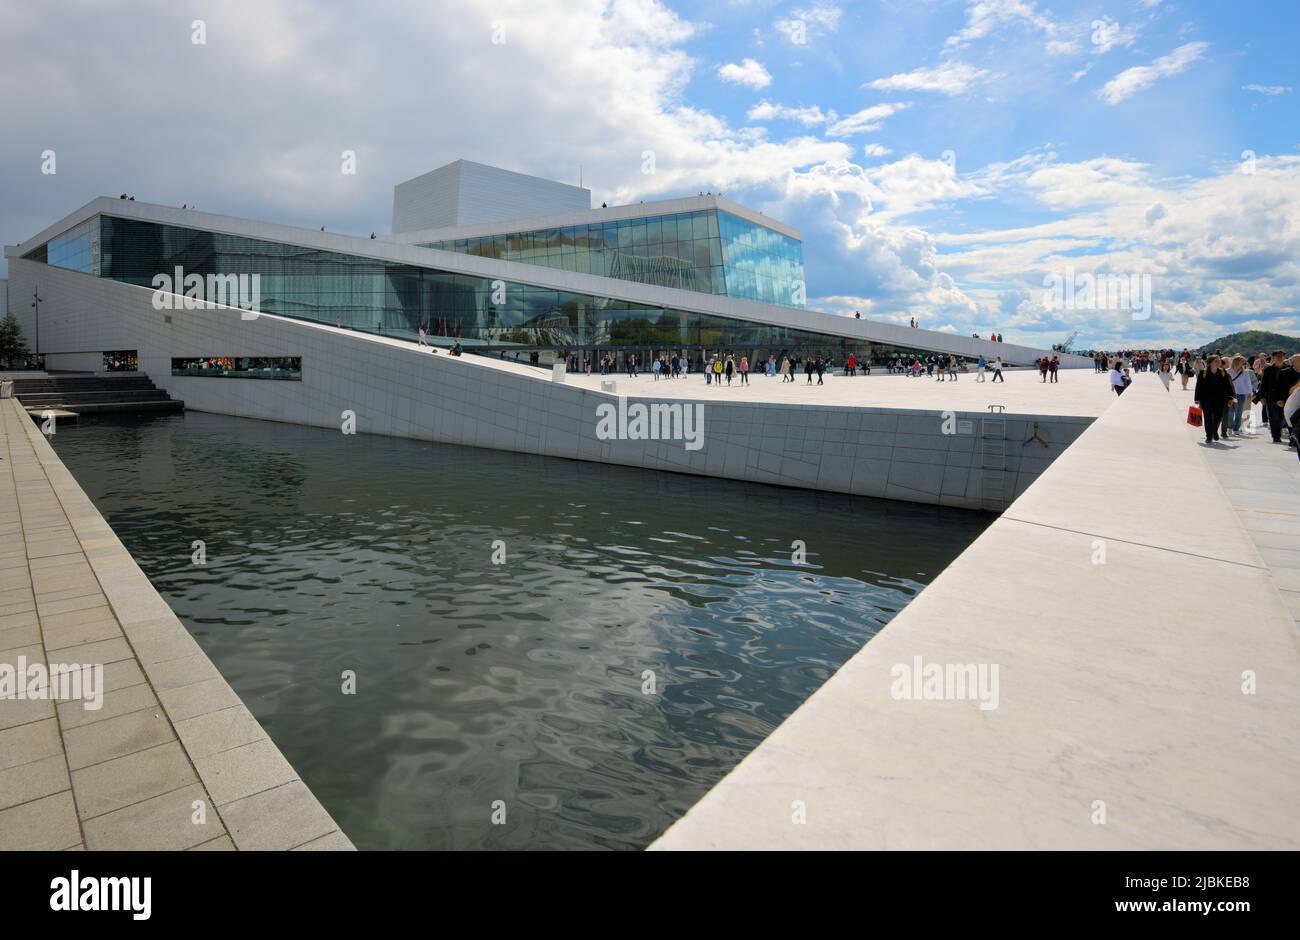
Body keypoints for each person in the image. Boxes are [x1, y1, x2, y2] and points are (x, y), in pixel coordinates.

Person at [1193, 355, 1234, 444]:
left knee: (1218, 417)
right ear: (1210, 362)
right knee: (1207, 418)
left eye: (1219, 361)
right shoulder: (1203, 372)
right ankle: (1209, 436)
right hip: (1206, 399)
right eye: (1216, 361)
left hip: (1220, 399)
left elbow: (1228, 385)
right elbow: (1198, 386)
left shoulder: (1223, 372)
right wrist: (1197, 398)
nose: (1219, 362)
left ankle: (1214, 431)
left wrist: (1230, 397)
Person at [1260, 351, 1298, 444]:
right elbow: (1263, 383)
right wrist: (1262, 396)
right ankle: (1276, 436)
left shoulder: (1288, 369)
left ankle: (1281, 431)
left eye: (1282, 356)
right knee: (1273, 417)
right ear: (1273, 357)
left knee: (1282, 418)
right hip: (1271, 396)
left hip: (1284, 397)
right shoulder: (1269, 369)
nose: (1280, 358)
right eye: (1278, 356)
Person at [1228, 355, 1254, 436]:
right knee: (1231, 411)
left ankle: (1236, 428)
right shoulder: (1228, 371)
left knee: (1239, 412)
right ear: (1236, 362)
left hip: (1241, 393)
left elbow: (1248, 383)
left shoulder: (1245, 372)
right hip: (1231, 394)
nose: (1243, 363)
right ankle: (1230, 427)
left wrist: (1250, 393)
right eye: (1242, 361)